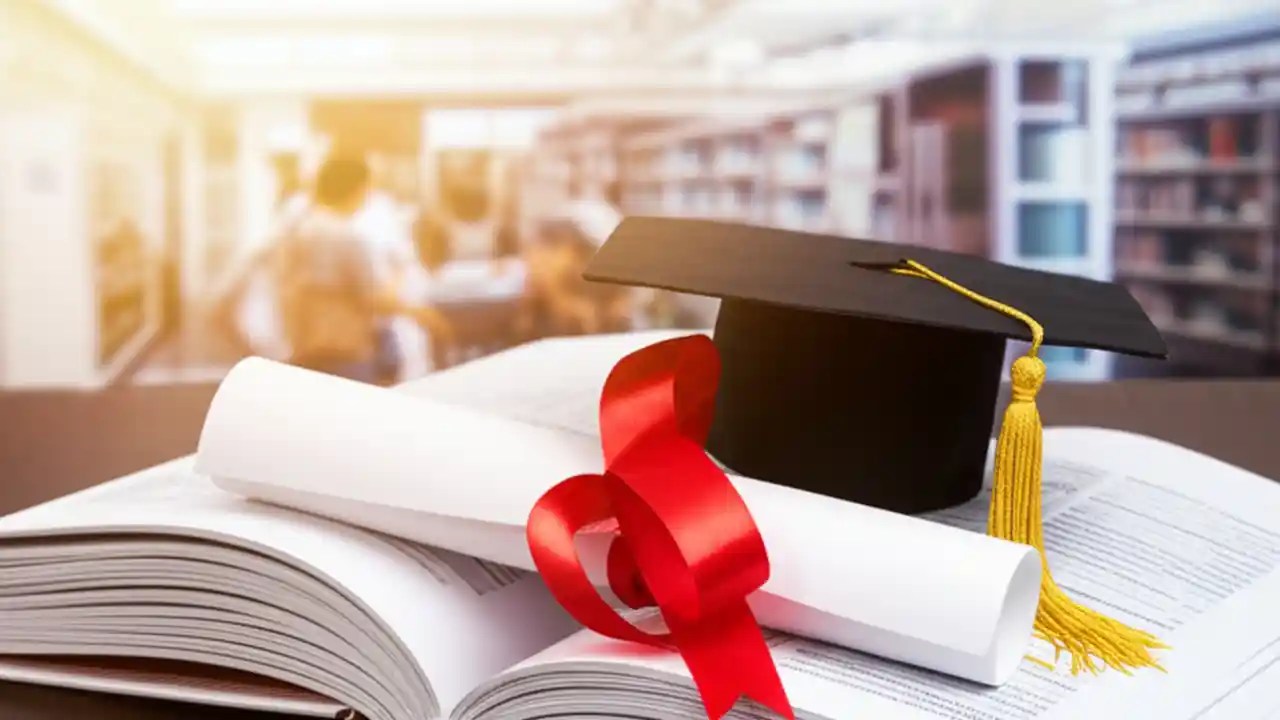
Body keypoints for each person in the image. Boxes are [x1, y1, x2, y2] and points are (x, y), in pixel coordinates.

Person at [275, 155, 453, 383]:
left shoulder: (298, 232)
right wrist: (424, 316)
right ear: (359, 189)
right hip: (345, 351)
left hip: (304, 347)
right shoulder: (347, 237)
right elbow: (374, 298)